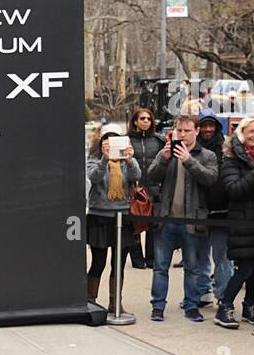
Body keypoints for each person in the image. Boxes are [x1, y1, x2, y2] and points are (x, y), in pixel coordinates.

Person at [147, 114, 218, 322]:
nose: (183, 135)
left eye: (187, 131)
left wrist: (189, 160)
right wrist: (163, 159)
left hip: (193, 220)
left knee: (193, 267)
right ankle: (158, 307)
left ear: (197, 131)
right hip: (166, 219)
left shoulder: (207, 155)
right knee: (160, 266)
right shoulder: (166, 152)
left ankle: (191, 306)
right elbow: (150, 177)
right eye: (180, 130)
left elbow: (210, 179)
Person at [217, 116, 254, 328]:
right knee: (246, 266)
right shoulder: (231, 159)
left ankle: (250, 306)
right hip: (243, 221)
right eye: (251, 131)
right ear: (242, 134)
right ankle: (225, 305)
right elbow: (233, 189)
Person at [85, 122, 140, 317]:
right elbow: (94, 177)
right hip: (100, 215)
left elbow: (137, 176)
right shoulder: (94, 159)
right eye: (106, 140)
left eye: (114, 139)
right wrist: (104, 160)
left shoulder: (127, 160)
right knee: (98, 261)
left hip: (122, 216)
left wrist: (131, 159)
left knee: (119, 263)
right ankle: (89, 301)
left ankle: (115, 303)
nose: (110, 143)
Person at [193, 112, 234, 308]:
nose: (208, 129)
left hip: (222, 210)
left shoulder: (227, 149)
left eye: (212, 126)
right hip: (200, 208)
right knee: (201, 254)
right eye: (204, 126)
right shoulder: (192, 149)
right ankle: (203, 290)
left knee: (222, 257)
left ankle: (224, 295)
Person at [127, 106, 164, 268]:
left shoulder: (158, 140)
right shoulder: (126, 140)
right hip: (133, 187)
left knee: (153, 227)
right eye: (142, 118)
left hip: (154, 187)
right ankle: (137, 260)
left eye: (149, 119)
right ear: (135, 121)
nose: (146, 121)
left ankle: (151, 258)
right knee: (133, 225)